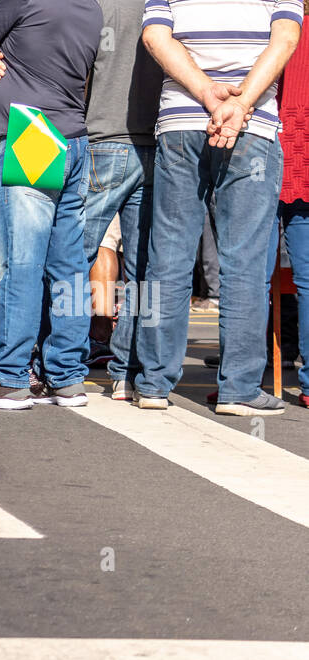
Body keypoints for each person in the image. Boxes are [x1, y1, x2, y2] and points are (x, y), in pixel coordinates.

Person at [136, 0, 301, 416]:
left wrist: (205, 91)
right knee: (243, 261)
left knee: (168, 257)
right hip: (252, 126)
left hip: (180, 121)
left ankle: (154, 384)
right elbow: (285, 38)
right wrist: (239, 103)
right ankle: (240, 389)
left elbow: (155, 36)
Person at [0, 0, 103, 410]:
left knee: (20, 264)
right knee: (69, 267)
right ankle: (67, 377)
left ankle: (10, 375)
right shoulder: (91, 8)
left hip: (30, 134)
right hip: (73, 138)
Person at [82, 0, 164, 401]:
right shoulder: (166, 7)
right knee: (142, 268)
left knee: (74, 254)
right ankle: (127, 372)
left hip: (103, 138)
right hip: (159, 141)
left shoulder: (97, 6)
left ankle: (58, 361)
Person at [271, 17, 309, 409]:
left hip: (262, 148)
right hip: (297, 151)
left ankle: (239, 378)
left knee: (247, 272)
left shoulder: (270, 26)